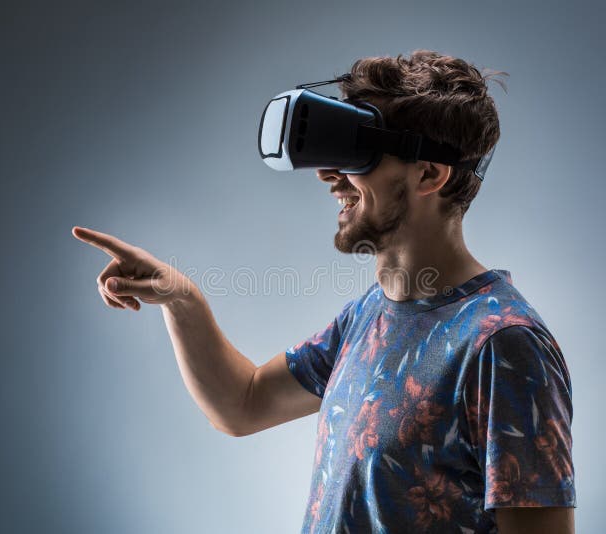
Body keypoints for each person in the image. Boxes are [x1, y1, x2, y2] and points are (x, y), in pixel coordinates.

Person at [72, 50, 576, 534]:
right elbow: (242, 404)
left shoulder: (501, 344)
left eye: (357, 151)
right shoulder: (368, 318)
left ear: (429, 173)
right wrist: (182, 300)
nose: (328, 174)